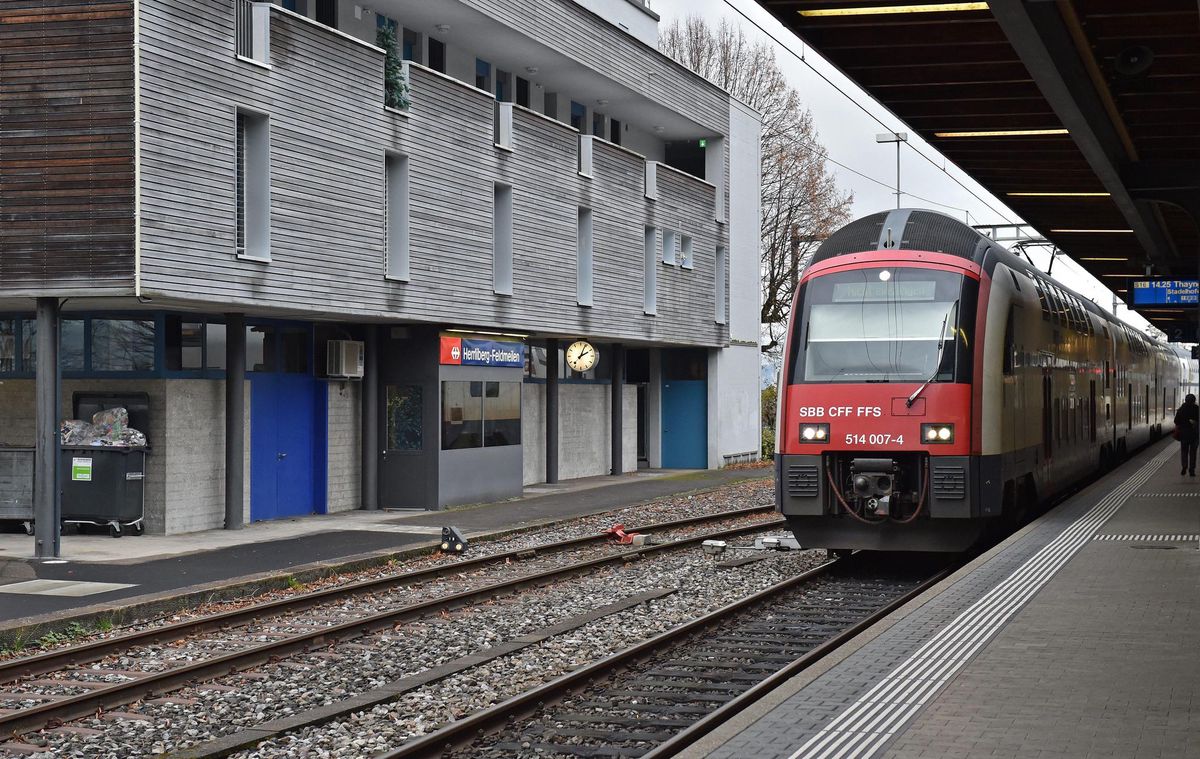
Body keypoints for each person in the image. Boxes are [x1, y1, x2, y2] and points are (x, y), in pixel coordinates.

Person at [1175, 393, 1199, 476]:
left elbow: (1176, 421)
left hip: (1184, 435)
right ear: (1194, 401)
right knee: (1193, 453)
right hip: (1194, 435)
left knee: (1184, 451)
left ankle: (1184, 466)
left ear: (1185, 400)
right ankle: (1192, 470)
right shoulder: (1197, 409)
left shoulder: (1181, 409)